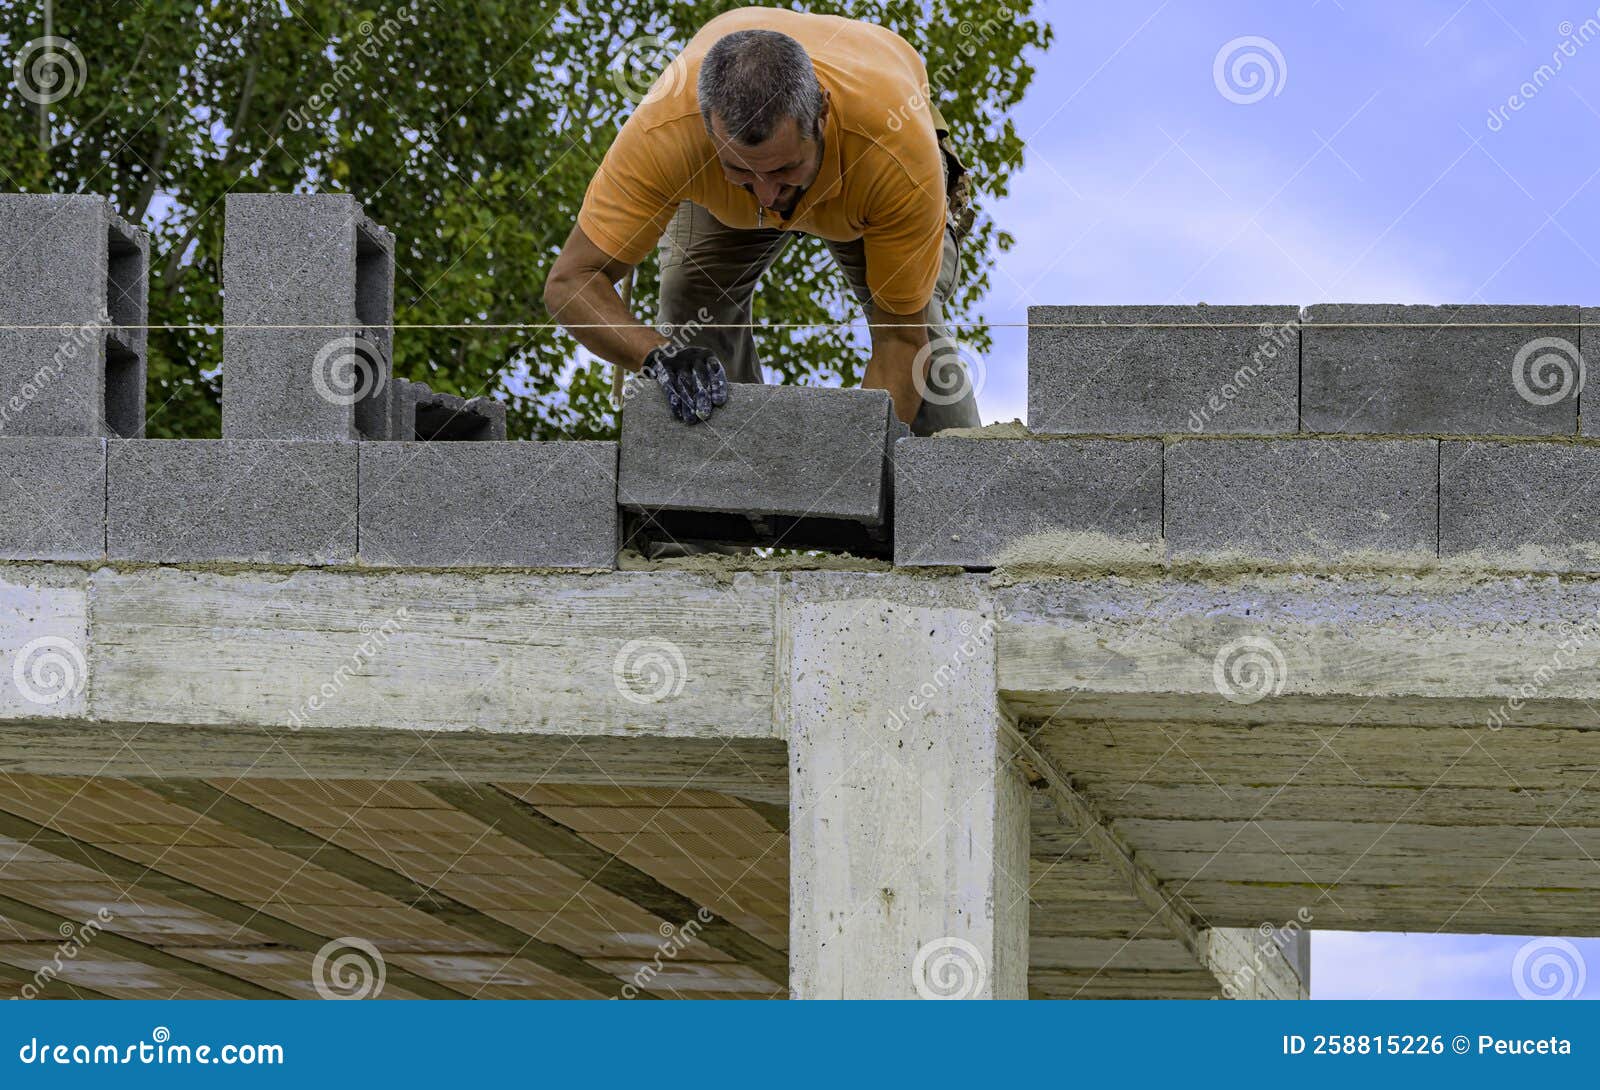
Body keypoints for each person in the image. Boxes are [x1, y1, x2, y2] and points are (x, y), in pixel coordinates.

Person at [543, 6, 979, 434]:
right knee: (688, 309)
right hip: (721, 187)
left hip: (865, 180)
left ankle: (952, 483)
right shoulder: (668, 132)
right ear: (707, 131)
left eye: (783, 170)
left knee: (921, 344)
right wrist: (656, 356)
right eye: (743, 172)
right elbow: (571, 282)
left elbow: (899, 343)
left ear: (821, 114)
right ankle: (729, 482)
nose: (768, 196)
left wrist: (850, 480)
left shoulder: (895, 157)